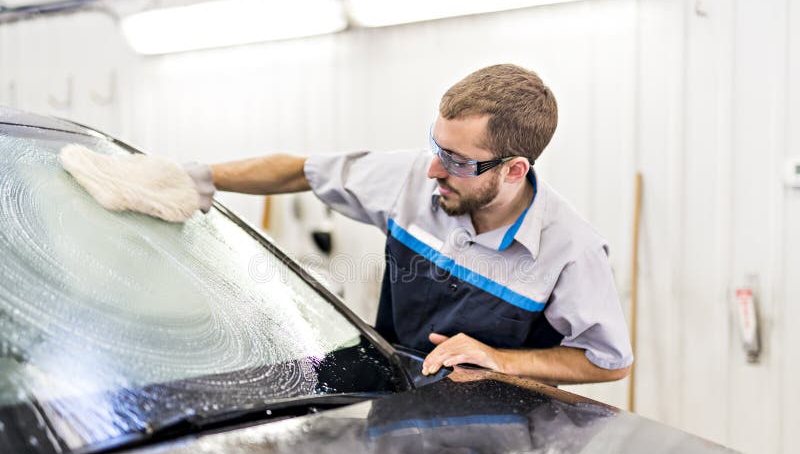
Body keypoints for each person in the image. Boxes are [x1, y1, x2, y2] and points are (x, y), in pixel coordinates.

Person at [205, 64, 632, 384]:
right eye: (436, 146)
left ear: (514, 170)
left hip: (497, 438)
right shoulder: (408, 178)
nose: (432, 170)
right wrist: (195, 177)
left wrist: (502, 360)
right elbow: (300, 170)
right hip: (395, 397)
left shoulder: (571, 249)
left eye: (458, 161)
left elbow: (608, 361)